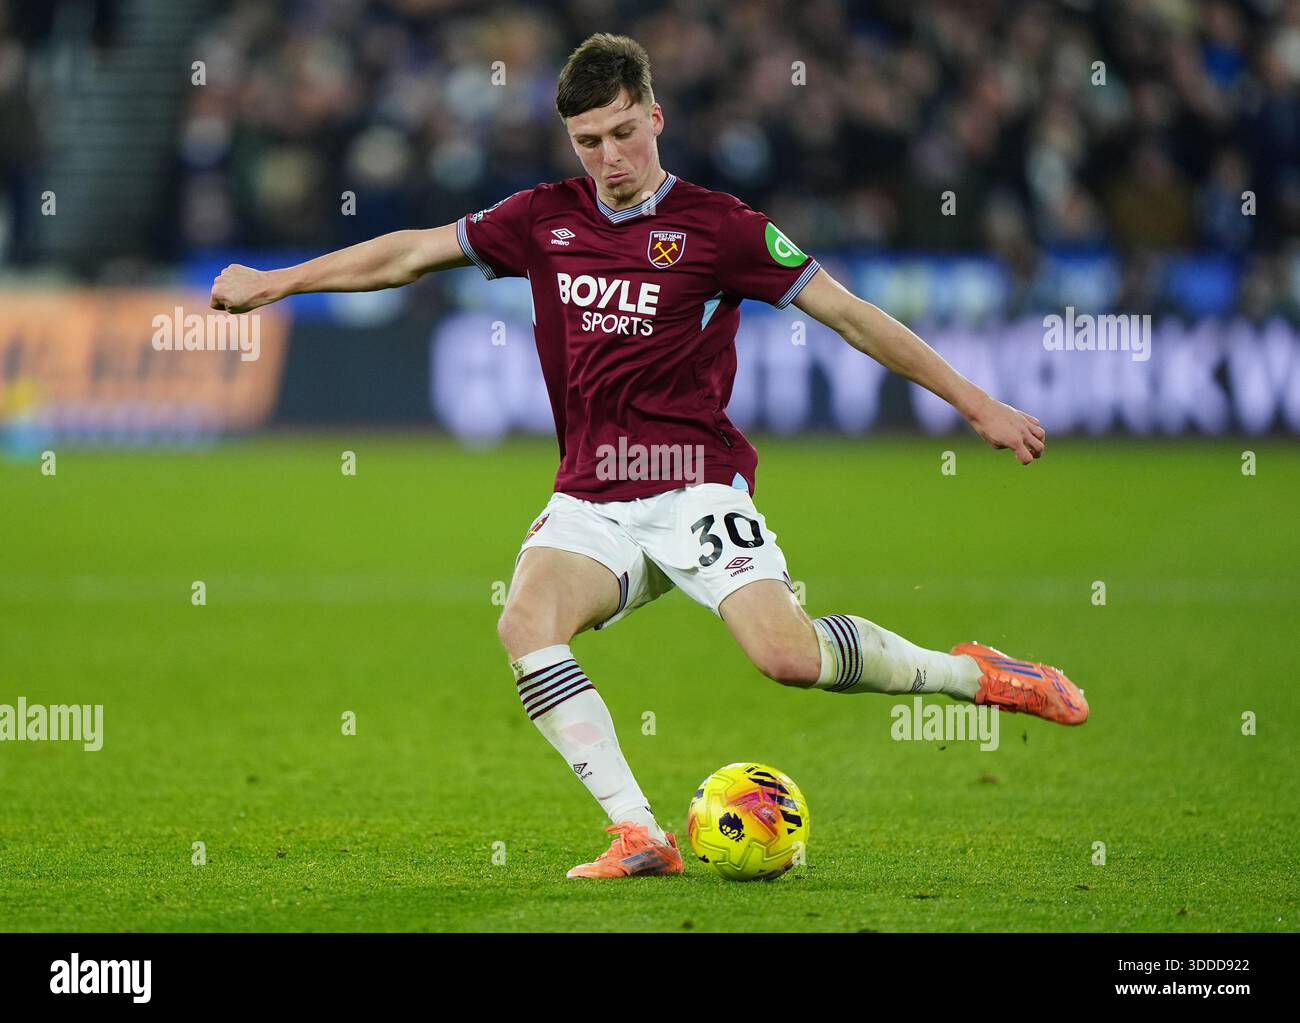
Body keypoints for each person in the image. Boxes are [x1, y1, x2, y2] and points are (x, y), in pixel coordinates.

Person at [210, 32, 1088, 881]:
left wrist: (977, 403)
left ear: (657, 118)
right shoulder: (541, 219)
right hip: (592, 495)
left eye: (623, 133)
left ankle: (974, 674)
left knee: (786, 659)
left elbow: (852, 314)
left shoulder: (722, 228)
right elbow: (405, 255)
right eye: (588, 141)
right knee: (524, 624)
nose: (609, 157)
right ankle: (638, 829)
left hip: (694, 486)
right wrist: (279, 281)